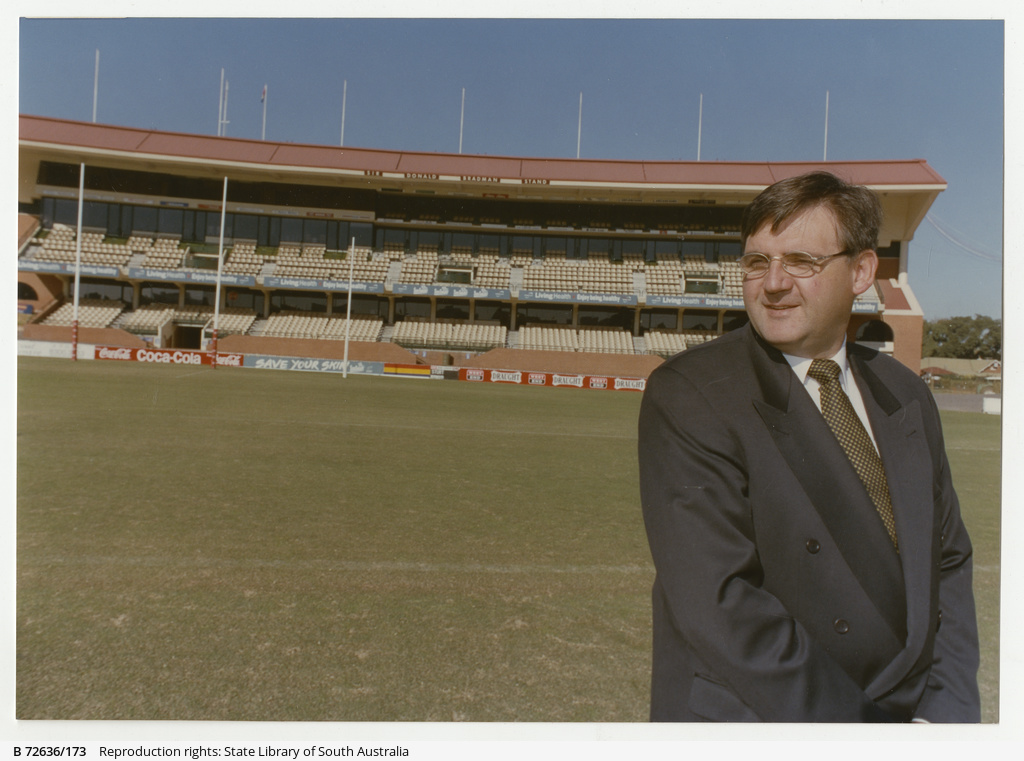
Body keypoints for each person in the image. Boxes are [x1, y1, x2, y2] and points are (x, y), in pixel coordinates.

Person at [637, 171, 981, 722]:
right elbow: (722, 604)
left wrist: (945, 713)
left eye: (801, 261)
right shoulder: (693, 392)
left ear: (861, 271)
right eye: (757, 262)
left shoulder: (906, 392)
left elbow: (946, 562)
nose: (773, 283)